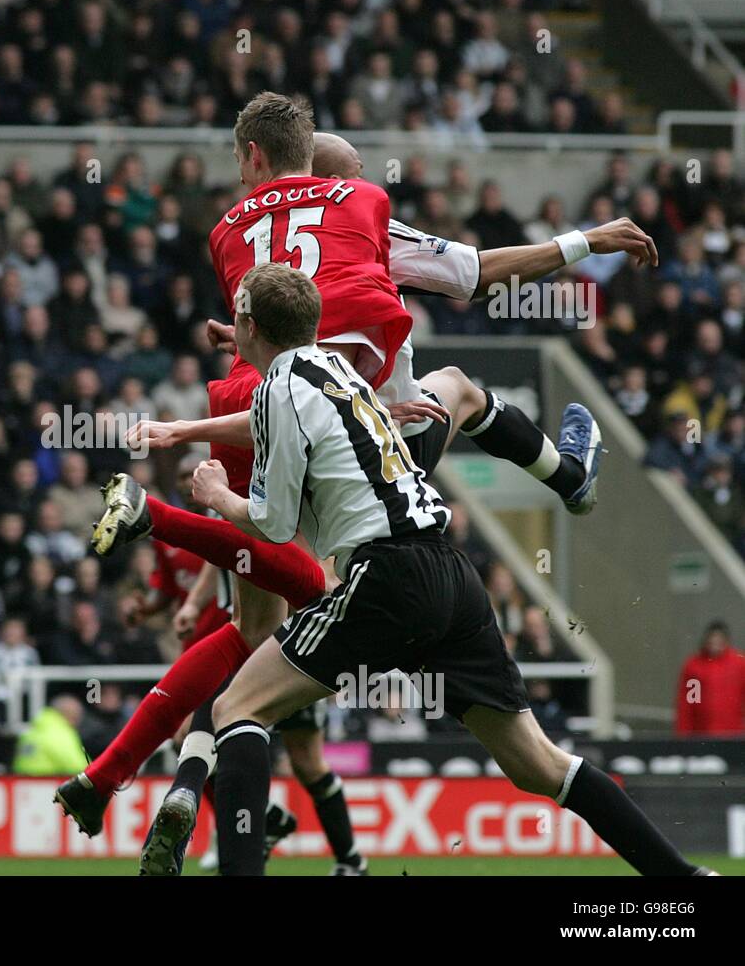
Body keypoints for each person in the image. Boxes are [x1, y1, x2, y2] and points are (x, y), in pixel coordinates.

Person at [178, 262, 711, 877]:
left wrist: (217, 493)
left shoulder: (275, 387)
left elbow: (272, 525)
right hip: (450, 573)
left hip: (386, 574)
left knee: (238, 708)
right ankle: (687, 879)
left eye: (239, 313)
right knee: (538, 763)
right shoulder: (335, 368)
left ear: (248, 324)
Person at [675, 621, 745, 735]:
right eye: (712, 639)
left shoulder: (739, 664)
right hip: (701, 733)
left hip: (733, 733)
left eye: (719, 639)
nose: (715, 643)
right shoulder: (694, 666)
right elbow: (687, 705)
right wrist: (684, 734)